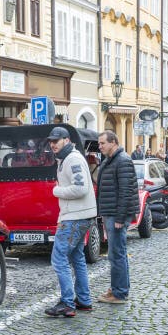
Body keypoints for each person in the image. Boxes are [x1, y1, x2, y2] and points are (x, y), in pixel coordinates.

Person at [43, 127, 98, 318]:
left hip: (75, 216)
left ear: (66, 140)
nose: (52, 144)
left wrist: (57, 191)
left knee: (59, 259)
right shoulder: (67, 159)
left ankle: (67, 303)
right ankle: (83, 300)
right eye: (51, 141)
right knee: (77, 257)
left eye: (56, 141)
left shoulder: (72, 159)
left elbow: (80, 188)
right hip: (80, 214)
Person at [96, 130, 139, 304]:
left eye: (102, 143)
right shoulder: (111, 160)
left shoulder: (122, 160)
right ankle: (118, 288)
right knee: (116, 253)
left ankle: (119, 293)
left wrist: (120, 218)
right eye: (99, 144)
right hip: (111, 212)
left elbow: (126, 192)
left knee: (117, 253)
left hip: (117, 214)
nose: (100, 146)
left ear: (113, 142)